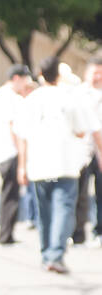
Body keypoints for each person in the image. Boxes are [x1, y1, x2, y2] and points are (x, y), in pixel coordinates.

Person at [15, 58, 102, 273]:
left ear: (41, 73)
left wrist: (22, 166)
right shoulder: (70, 98)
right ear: (59, 75)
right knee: (64, 209)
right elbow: (84, 130)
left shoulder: (31, 100)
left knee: (44, 212)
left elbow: (22, 136)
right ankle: (55, 254)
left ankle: (47, 254)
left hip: (38, 164)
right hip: (66, 163)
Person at [0, 65, 37, 244]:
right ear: (17, 78)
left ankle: (6, 233)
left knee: (9, 194)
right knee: (11, 195)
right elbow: (13, 128)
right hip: (9, 152)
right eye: (25, 80)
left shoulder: (3, 94)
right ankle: (6, 235)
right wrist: (21, 153)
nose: (26, 84)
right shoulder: (8, 95)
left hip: (3, 152)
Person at [72, 55, 102, 247]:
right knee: (79, 194)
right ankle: (78, 233)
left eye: (100, 73)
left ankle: (99, 230)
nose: (97, 76)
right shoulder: (77, 94)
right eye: (94, 72)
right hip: (82, 151)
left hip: (100, 151)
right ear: (86, 73)